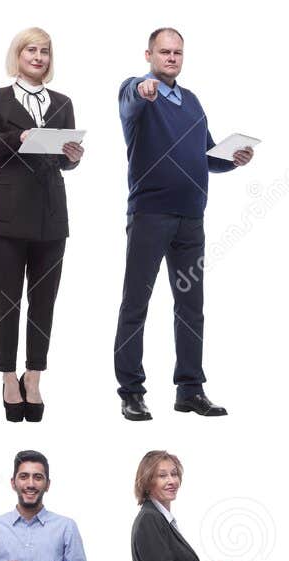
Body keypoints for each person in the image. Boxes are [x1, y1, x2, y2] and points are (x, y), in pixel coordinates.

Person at [114, 29, 253, 421]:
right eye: (164, 52)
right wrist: (143, 89)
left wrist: (232, 159)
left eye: (177, 53)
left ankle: (190, 389)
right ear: (149, 54)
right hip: (150, 216)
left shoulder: (191, 101)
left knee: (191, 306)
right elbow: (131, 97)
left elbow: (205, 153)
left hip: (192, 218)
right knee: (135, 304)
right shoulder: (136, 91)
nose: (172, 58)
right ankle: (131, 392)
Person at [0, 29, 83, 421]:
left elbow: (64, 161)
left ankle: (33, 374)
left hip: (51, 215)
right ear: (17, 55)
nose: (38, 57)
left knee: (44, 300)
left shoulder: (63, 102)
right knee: (7, 300)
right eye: (31, 50)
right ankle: (7, 376)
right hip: (6, 214)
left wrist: (72, 155)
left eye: (45, 51)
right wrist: (17, 135)